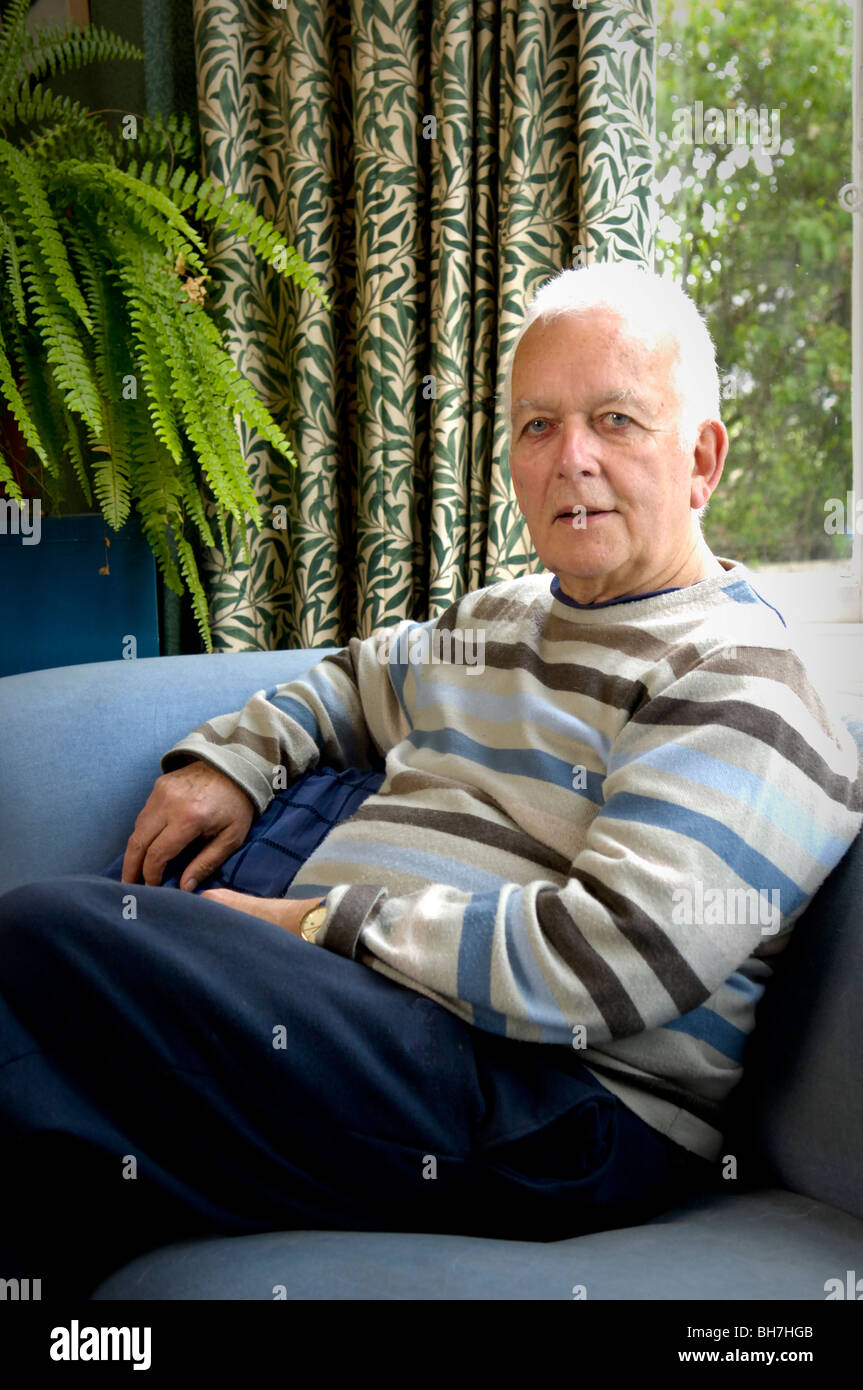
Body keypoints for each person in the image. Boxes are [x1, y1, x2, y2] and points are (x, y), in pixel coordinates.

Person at [1, 262, 860, 1301]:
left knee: (42, 939)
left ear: (701, 459)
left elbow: (605, 965)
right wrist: (228, 763)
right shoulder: (495, 620)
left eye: (615, 420)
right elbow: (345, 686)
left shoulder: (739, 678)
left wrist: (317, 926)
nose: (569, 459)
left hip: (552, 1099)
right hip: (370, 1028)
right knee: (66, 1138)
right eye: (536, 426)